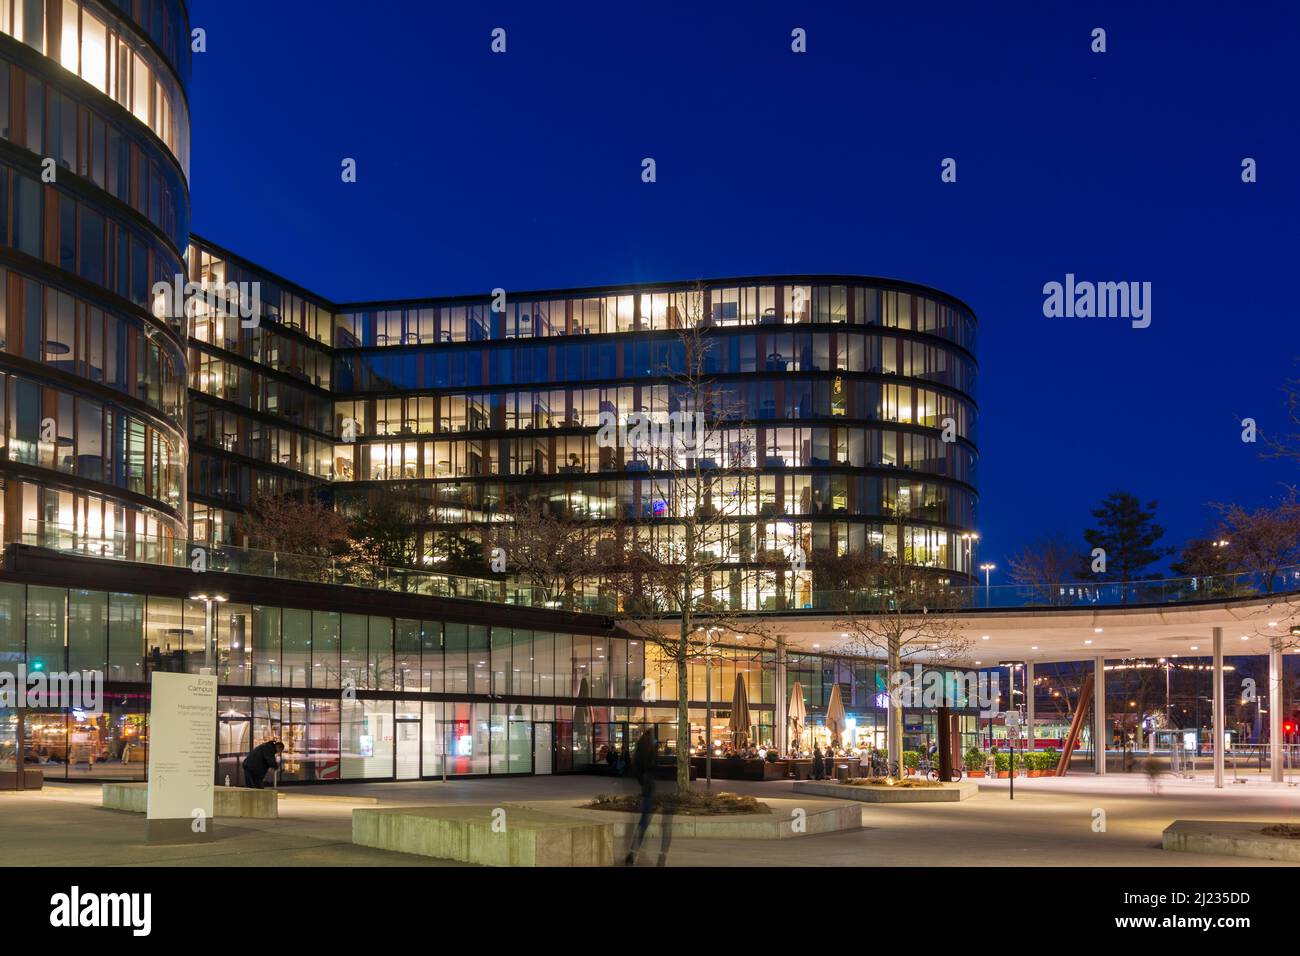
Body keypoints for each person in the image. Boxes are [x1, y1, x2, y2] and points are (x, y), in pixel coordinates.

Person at [625, 729, 671, 866]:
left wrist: (643, 782)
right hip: (662, 791)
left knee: (643, 823)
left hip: (649, 791)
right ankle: (662, 856)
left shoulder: (640, 752)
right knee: (666, 826)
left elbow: (636, 769)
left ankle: (633, 852)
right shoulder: (653, 750)